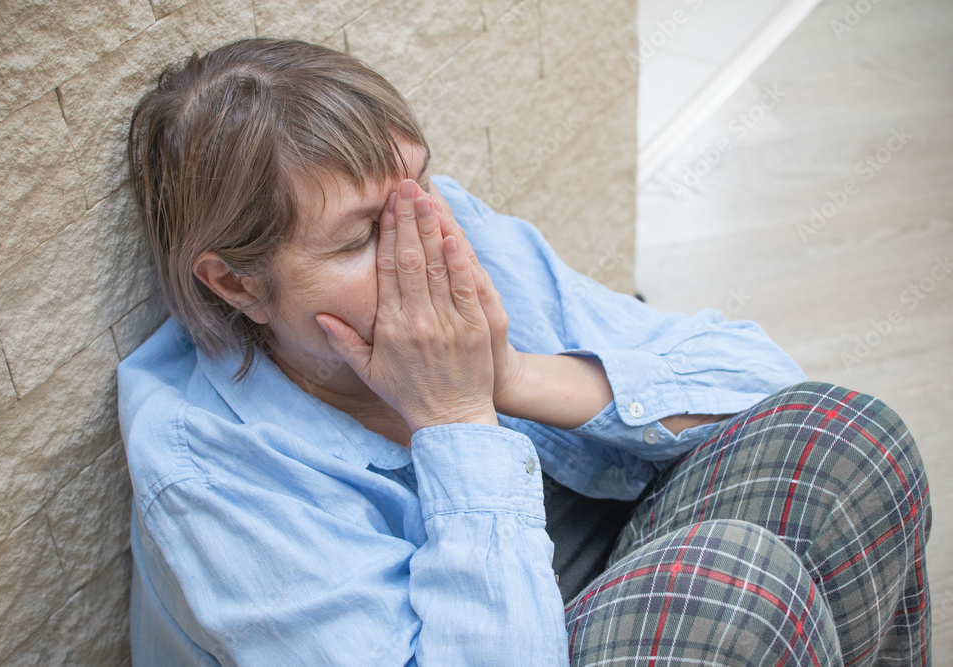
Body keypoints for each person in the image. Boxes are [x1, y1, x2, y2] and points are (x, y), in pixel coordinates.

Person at [119, 38, 931, 665]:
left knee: (848, 442)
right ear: (237, 285)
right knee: (738, 595)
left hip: (563, 577)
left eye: (421, 187)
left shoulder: (450, 229)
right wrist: (457, 419)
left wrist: (511, 378)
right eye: (365, 235)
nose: (428, 241)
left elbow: (763, 386)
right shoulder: (208, 476)